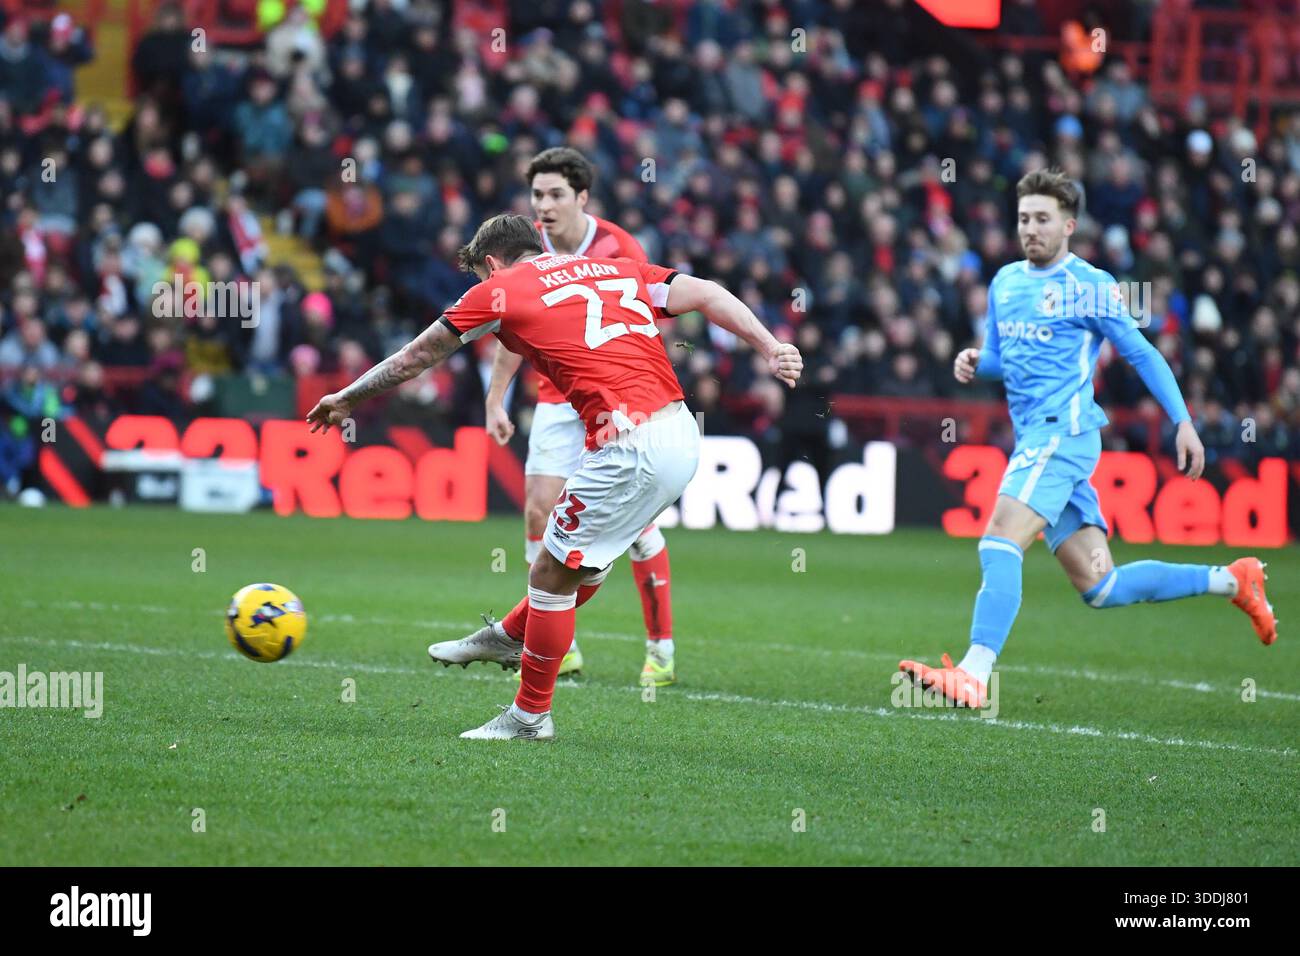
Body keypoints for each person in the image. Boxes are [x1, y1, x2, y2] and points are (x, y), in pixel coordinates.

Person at [307, 214, 802, 739]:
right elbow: (705, 292)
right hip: (678, 433)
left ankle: (528, 716)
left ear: (493, 264)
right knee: (580, 570)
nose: (483, 287)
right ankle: (505, 636)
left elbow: (415, 357)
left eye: (481, 276)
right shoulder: (611, 269)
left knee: (548, 575)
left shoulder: (501, 288)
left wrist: (346, 398)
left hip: (629, 448)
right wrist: (771, 346)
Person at [900, 169, 1278, 708]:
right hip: (1038, 438)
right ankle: (1233, 581)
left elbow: (1141, 353)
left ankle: (974, 673)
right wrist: (976, 362)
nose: (1031, 228)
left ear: (1068, 226)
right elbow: (1005, 360)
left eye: (1043, 219)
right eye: (1024, 218)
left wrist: (1183, 421)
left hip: (1063, 435)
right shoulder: (1004, 283)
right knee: (1102, 586)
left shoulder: (1091, 287)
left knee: (999, 540)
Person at [483, 147, 680, 687]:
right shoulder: (529, 248)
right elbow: (512, 321)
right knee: (537, 513)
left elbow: (642, 326)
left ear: (582, 198)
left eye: (554, 195)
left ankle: (661, 652)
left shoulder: (618, 246)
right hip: (554, 398)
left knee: (636, 530)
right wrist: (496, 396)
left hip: (613, 399)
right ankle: (557, 645)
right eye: (536, 195)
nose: (542, 206)